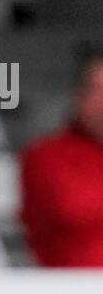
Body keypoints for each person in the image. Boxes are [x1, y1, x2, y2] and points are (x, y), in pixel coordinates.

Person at [20, 47, 103, 267]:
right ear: (78, 96)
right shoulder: (46, 155)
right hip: (71, 293)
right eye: (96, 91)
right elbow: (71, 211)